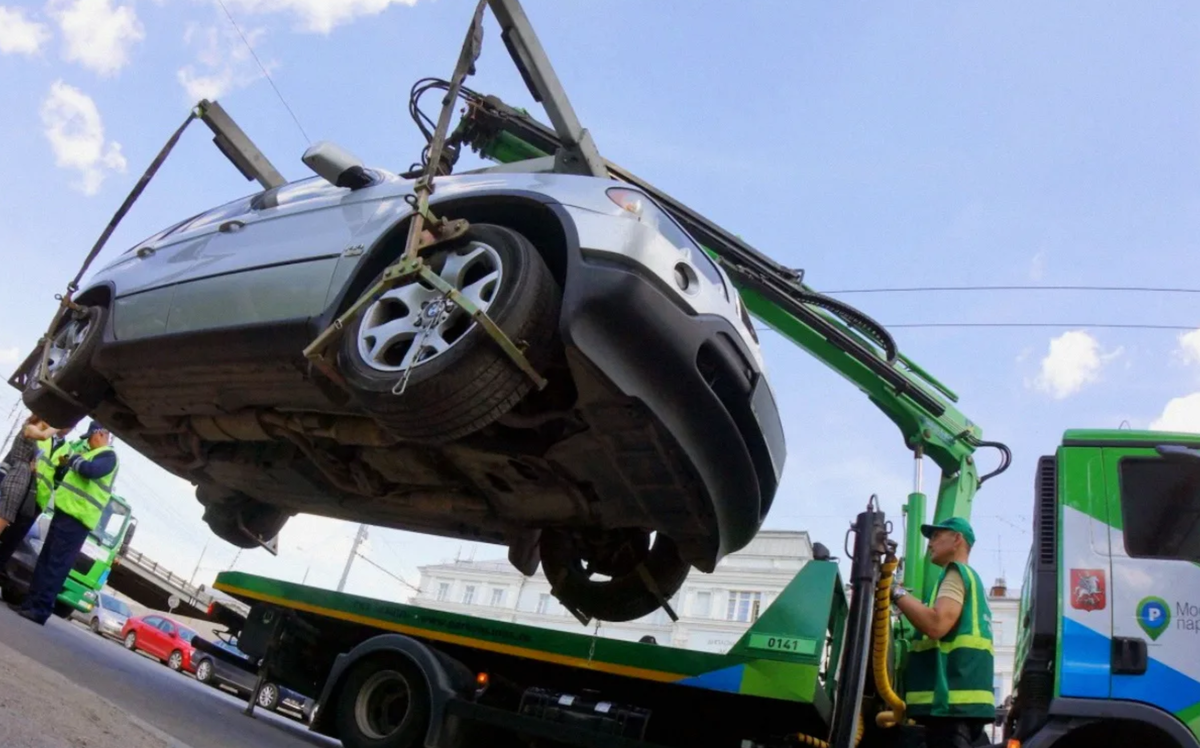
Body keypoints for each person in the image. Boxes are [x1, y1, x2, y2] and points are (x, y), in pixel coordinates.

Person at [890, 517, 994, 748]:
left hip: (950, 703)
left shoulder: (956, 574)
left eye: (936, 536)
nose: (930, 544)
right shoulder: (972, 581)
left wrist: (894, 591)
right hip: (961, 704)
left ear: (957, 539)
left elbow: (936, 624)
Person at [11, 420, 118, 625]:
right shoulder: (89, 454)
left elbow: (90, 470)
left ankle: (40, 609)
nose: (89, 443)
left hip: (77, 520)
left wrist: (74, 460)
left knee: (56, 565)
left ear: (101, 434)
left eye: (90, 438)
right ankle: (29, 604)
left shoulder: (109, 456)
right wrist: (65, 465)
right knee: (45, 561)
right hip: (63, 515)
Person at [0, 422, 74, 580]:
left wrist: (62, 469)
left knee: (14, 539)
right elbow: (16, 455)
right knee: (3, 528)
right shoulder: (41, 434)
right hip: (20, 489)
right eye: (68, 424)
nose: (69, 428)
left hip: (37, 500)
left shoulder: (68, 450)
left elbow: (58, 481)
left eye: (72, 426)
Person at [0, 415, 57, 535]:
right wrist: (59, 426)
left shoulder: (31, 433)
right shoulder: (29, 427)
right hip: (18, 474)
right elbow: (43, 436)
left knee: (7, 513)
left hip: (24, 473)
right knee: (5, 513)